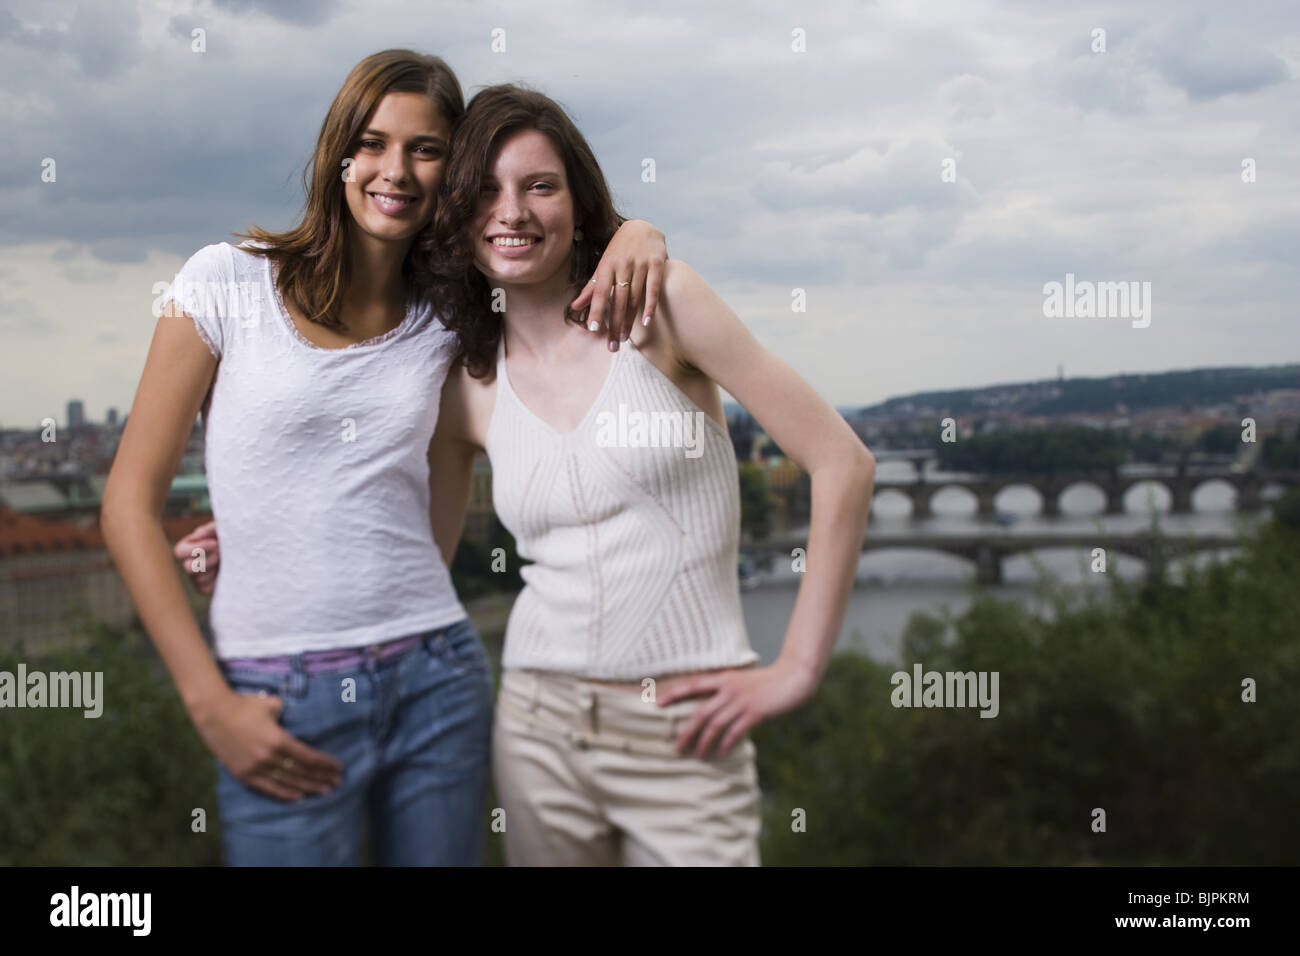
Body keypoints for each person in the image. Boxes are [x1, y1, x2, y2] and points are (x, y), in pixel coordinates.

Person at [102, 50, 667, 866]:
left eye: (426, 149)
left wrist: (641, 233)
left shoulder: (451, 319)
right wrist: (210, 701)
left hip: (435, 675)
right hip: (277, 692)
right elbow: (127, 505)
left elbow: (559, 262)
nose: (395, 170)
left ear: (452, 175)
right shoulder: (224, 284)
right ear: (339, 154)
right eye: (372, 143)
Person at [422, 85, 877, 865]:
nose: (512, 212)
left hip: (687, 726)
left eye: (539, 185)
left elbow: (844, 462)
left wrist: (797, 668)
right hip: (536, 728)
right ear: (458, 213)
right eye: (485, 191)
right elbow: (416, 560)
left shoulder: (664, 306)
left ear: (578, 202)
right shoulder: (466, 385)